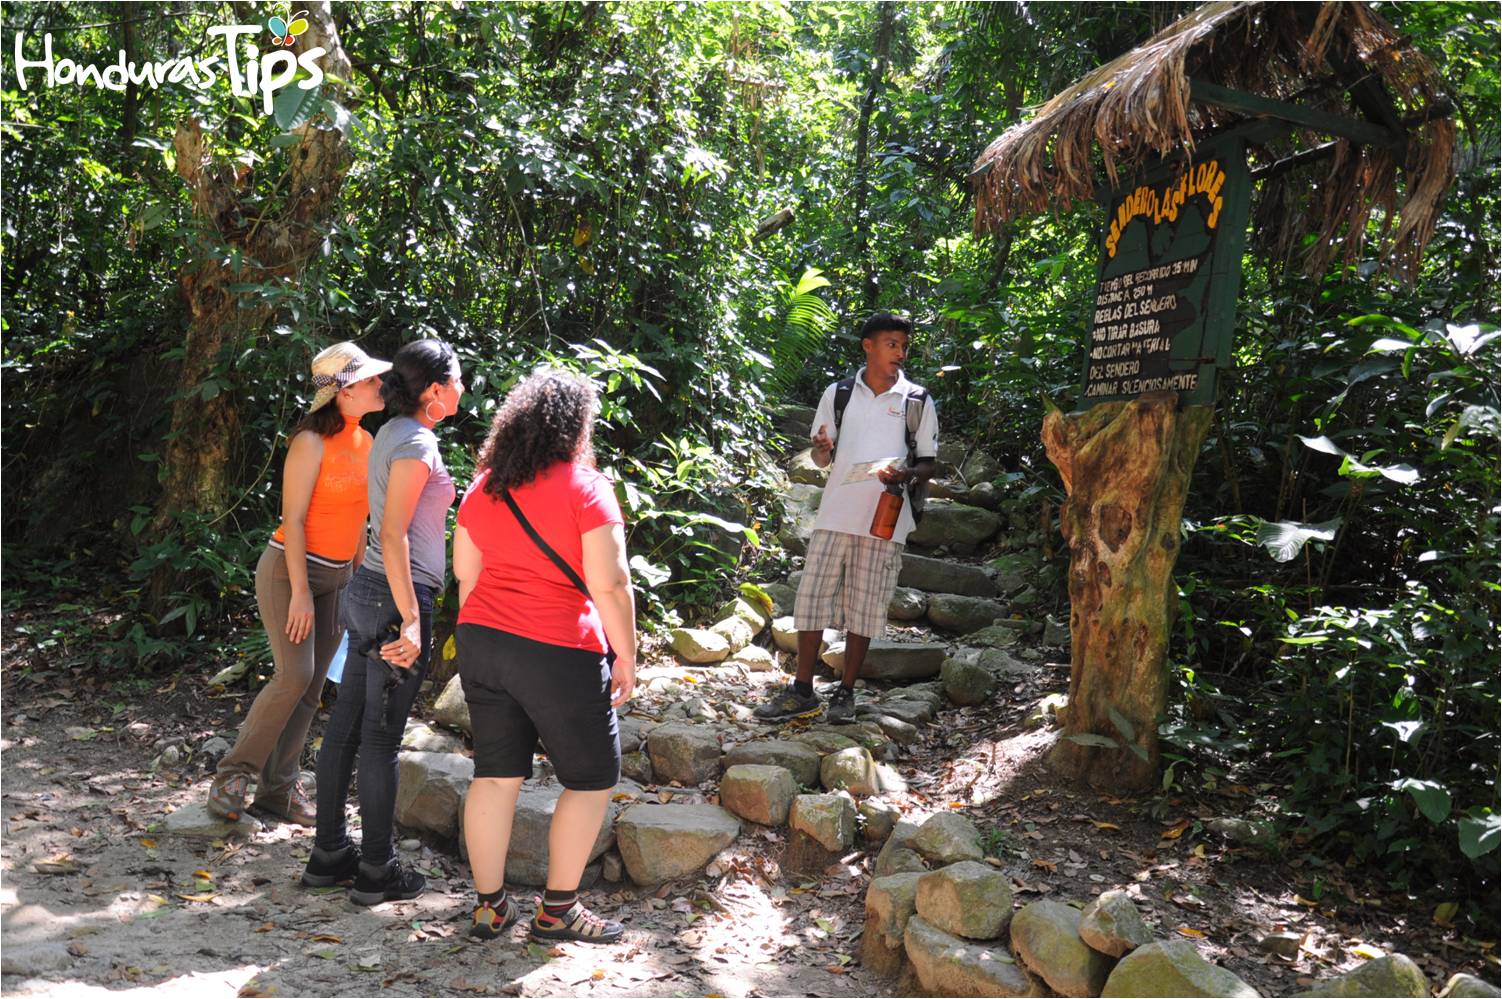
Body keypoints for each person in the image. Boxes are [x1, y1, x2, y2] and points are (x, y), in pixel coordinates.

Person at [452, 369, 636, 944]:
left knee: (496, 775)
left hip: (483, 641)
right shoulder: (587, 489)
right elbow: (609, 583)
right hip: (558, 645)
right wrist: (626, 655)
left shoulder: (483, 486)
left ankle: (489, 908)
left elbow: (466, 575)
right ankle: (557, 911)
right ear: (576, 428)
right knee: (590, 779)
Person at [301, 339, 464, 905]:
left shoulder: (394, 431)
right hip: (397, 597)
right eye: (458, 380)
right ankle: (376, 869)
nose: (464, 390)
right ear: (436, 390)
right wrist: (414, 621)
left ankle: (328, 855)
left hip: (367, 590)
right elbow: (392, 533)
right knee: (380, 739)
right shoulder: (416, 442)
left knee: (347, 725)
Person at [206, 342, 390, 825]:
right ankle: (232, 775)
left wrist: (354, 577)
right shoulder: (309, 441)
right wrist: (303, 593)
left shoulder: (366, 442)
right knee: (293, 675)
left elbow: (359, 519)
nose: (379, 385)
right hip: (290, 570)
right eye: (370, 379)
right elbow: (296, 518)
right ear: (345, 391)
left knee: (311, 688)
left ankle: (277, 793)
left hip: (339, 577)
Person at [754, 313, 938, 725]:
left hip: (885, 518)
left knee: (866, 606)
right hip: (836, 512)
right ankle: (802, 690)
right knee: (812, 598)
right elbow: (823, 457)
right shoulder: (838, 394)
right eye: (892, 344)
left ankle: (847, 692)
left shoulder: (916, 400)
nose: (900, 353)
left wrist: (906, 474)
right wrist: (821, 448)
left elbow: (927, 462)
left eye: (904, 346)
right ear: (867, 346)